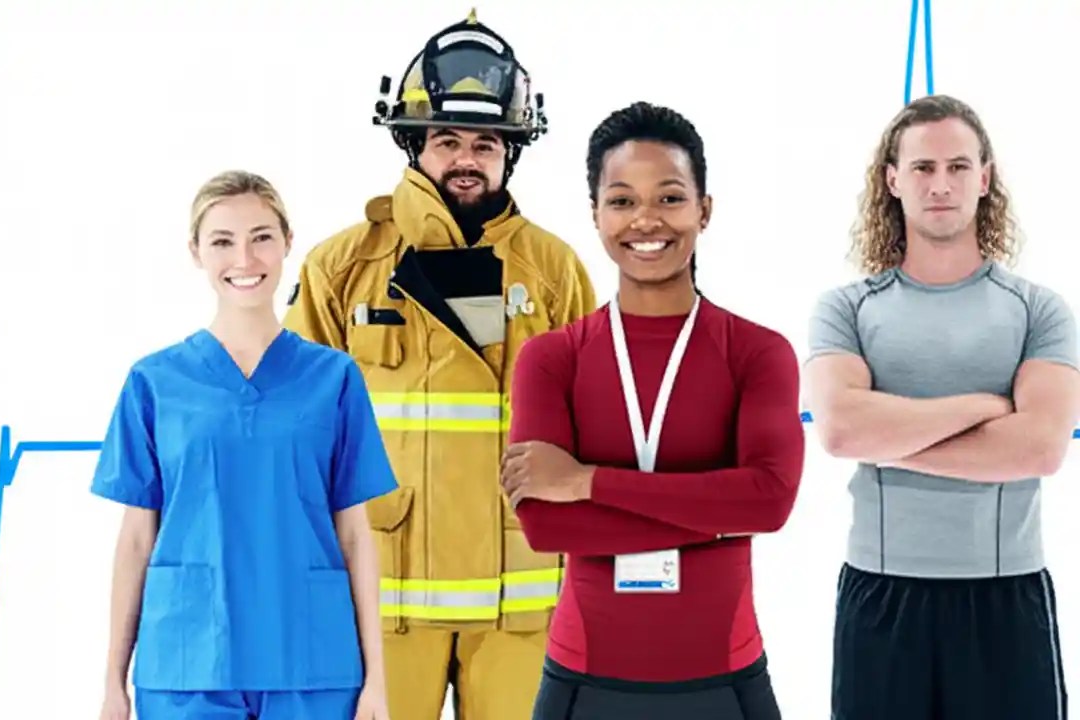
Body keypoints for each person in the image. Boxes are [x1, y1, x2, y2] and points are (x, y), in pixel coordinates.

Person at [281, 10, 596, 720]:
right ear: (411, 143)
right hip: (384, 595)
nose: (465, 158)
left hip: (520, 596)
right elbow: (296, 439)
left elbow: (595, 430)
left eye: (486, 143)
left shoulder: (553, 271)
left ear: (510, 152)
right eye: (446, 139)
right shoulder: (342, 267)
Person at [499, 102, 805, 719]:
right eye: (621, 200)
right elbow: (547, 527)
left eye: (669, 198)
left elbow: (769, 503)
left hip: (725, 682)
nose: (646, 220)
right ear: (595, 215)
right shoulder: (550, 358)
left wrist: (586, 482)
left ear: (704, 210)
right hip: (583, 685)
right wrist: (718, 515)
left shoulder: (758, 352)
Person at [804, 94, 1080, 720]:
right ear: (892, 180)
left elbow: (1039, 448)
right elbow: (843, 431)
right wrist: (986, 406)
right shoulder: (846, 308)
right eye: (923, 168)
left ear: (985, 179)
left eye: (958, 167)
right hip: (881, 601)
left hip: (1005, 600)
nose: (941, 185)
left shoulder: (1040, 310)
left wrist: (893, 434)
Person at [91, 170, 398, 720]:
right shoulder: (155, 382)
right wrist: (113, 683)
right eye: (223, 241)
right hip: (189, 665)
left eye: (261, 237)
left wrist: (376, 679)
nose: (245, 258)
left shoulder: (334, 378)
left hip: (311, 664)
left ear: (286, 243)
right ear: (196, 253)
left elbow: (356, 534)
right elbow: (136, 540)